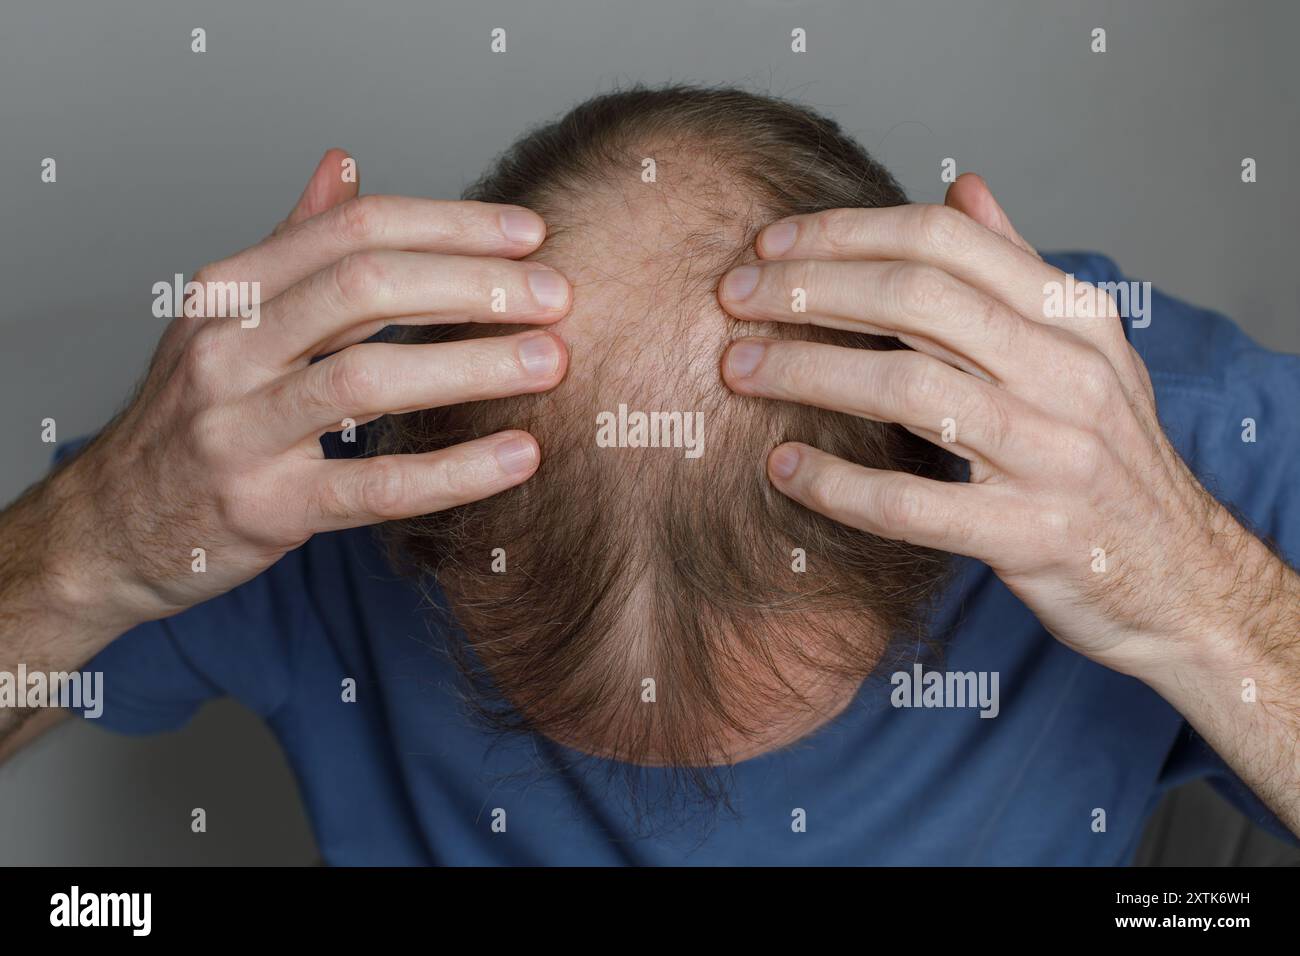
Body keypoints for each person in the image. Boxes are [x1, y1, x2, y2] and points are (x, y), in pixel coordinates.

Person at [1, 85, 1297, 865]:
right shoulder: (303, 470)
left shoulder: (1149, 449)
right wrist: (90, 541)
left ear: (934, 505)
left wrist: (1199, 596)